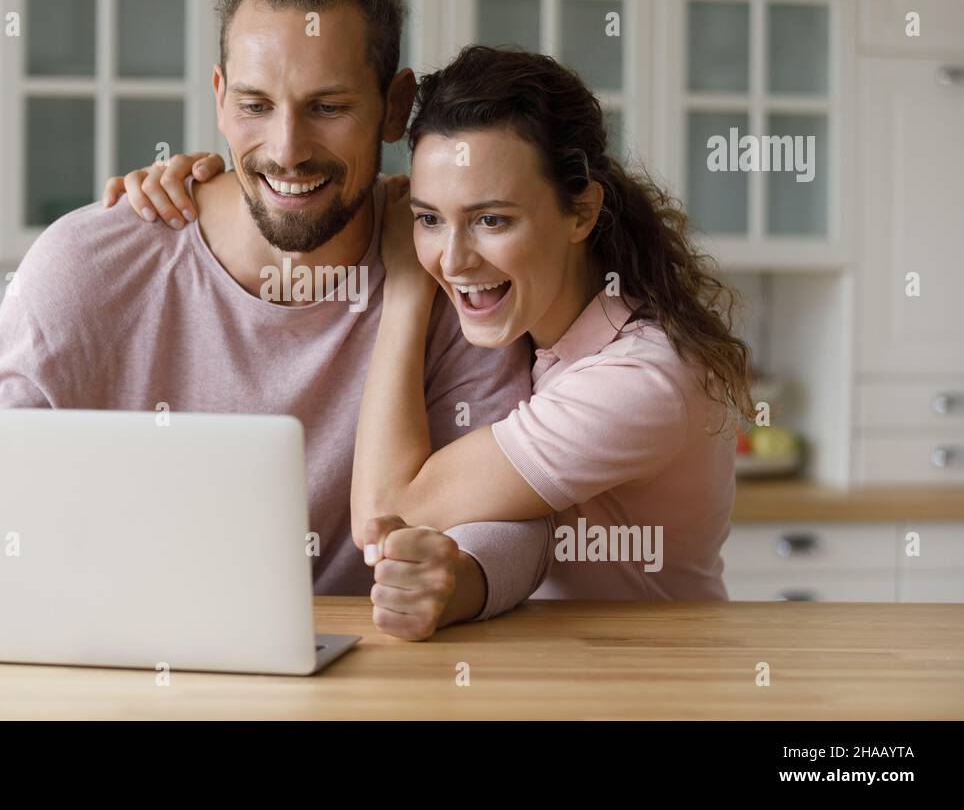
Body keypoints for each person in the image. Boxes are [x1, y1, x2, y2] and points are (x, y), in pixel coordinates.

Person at [0, 0, 553, 640]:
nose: (287, 149)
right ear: (221, 101)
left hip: (361, 687)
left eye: (327, 107)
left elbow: (510, 520)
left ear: (394, 108)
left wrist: (462, 580)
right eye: (257, 105)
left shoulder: (456, 278)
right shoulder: (93, 261)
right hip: (116, 671)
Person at [115, 46, 751, 600]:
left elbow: (387, 513)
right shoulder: (541, 321)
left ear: (581, 213)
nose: (453, 258)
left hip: (652, 686)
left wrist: (408, 290)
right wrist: (202, 184)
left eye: (493, 220)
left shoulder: (638, 379)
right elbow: (317, 187)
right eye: (428, 218)